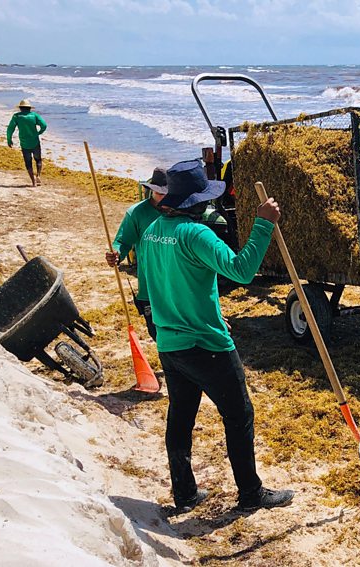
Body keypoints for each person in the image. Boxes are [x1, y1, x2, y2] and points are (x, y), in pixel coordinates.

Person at [137, 159, 293, 512]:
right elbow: (241, 271)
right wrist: (263, 225)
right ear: (198, 202)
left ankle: (185, 492)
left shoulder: (152, 231)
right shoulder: (196, 234)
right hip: (206, 342)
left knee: (181, 416)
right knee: (239, 415)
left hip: (170, 342)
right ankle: (251, 494)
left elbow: (146, 285)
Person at [105, 167, 168, 339]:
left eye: (167, 192)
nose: (162, 196)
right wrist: (116, 253)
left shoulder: (177, 211)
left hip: (174, 286)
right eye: (158, 192)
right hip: (149, 288)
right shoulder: (137, 213)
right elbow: (122, 241)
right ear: (151, 189)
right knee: (158, 335)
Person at [6, 99, 47, 187]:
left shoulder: (17, 116)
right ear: (29, 108)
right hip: (35, 142)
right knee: (38, 160)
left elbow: (10, 129)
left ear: (20, 108)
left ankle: (33, 182)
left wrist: (9, 139)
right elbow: (44, 125)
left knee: (28, 162)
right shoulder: (34, 115)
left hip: (24, 143)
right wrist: (39, 133)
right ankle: (38, 176)